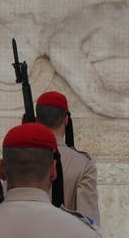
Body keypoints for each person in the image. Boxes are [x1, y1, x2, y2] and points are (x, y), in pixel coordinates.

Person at [35, 90, 101, 225]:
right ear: (66, 120)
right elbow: (88, 222)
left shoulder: (18, 157)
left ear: (36, 120)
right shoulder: (83, 164)